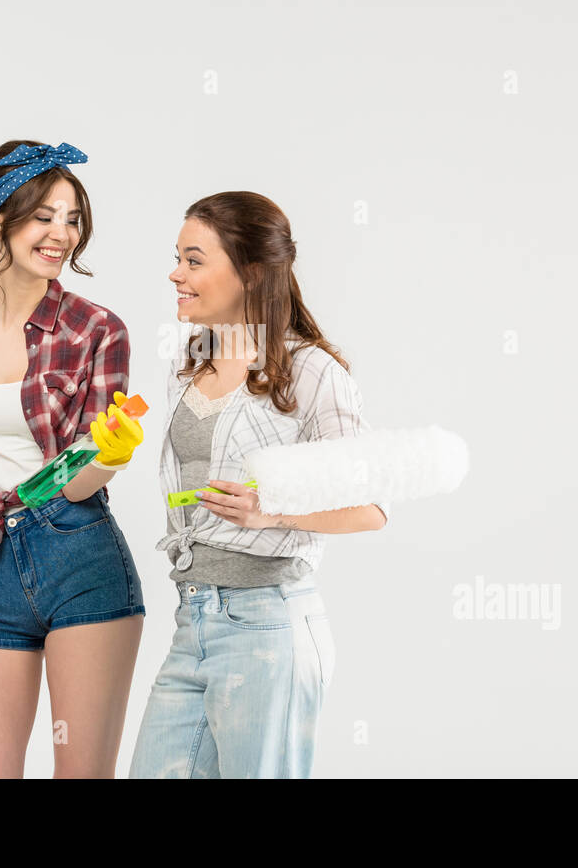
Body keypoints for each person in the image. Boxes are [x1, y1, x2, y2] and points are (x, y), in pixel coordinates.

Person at [128, 190, 389, 778]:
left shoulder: (313, 372)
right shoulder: (189, 362)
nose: (176, 273)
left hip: (268, 626)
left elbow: (371, 506)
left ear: (249, 271)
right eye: (177, 257)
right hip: (192, 618)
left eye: (194, 260)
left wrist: (274, 511)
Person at [0, 140, 146, 778]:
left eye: (72, 219)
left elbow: (77, 483)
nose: (62, 235)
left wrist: (109, 456)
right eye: (44, 216)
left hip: (78, 555)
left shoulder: (97, 329)